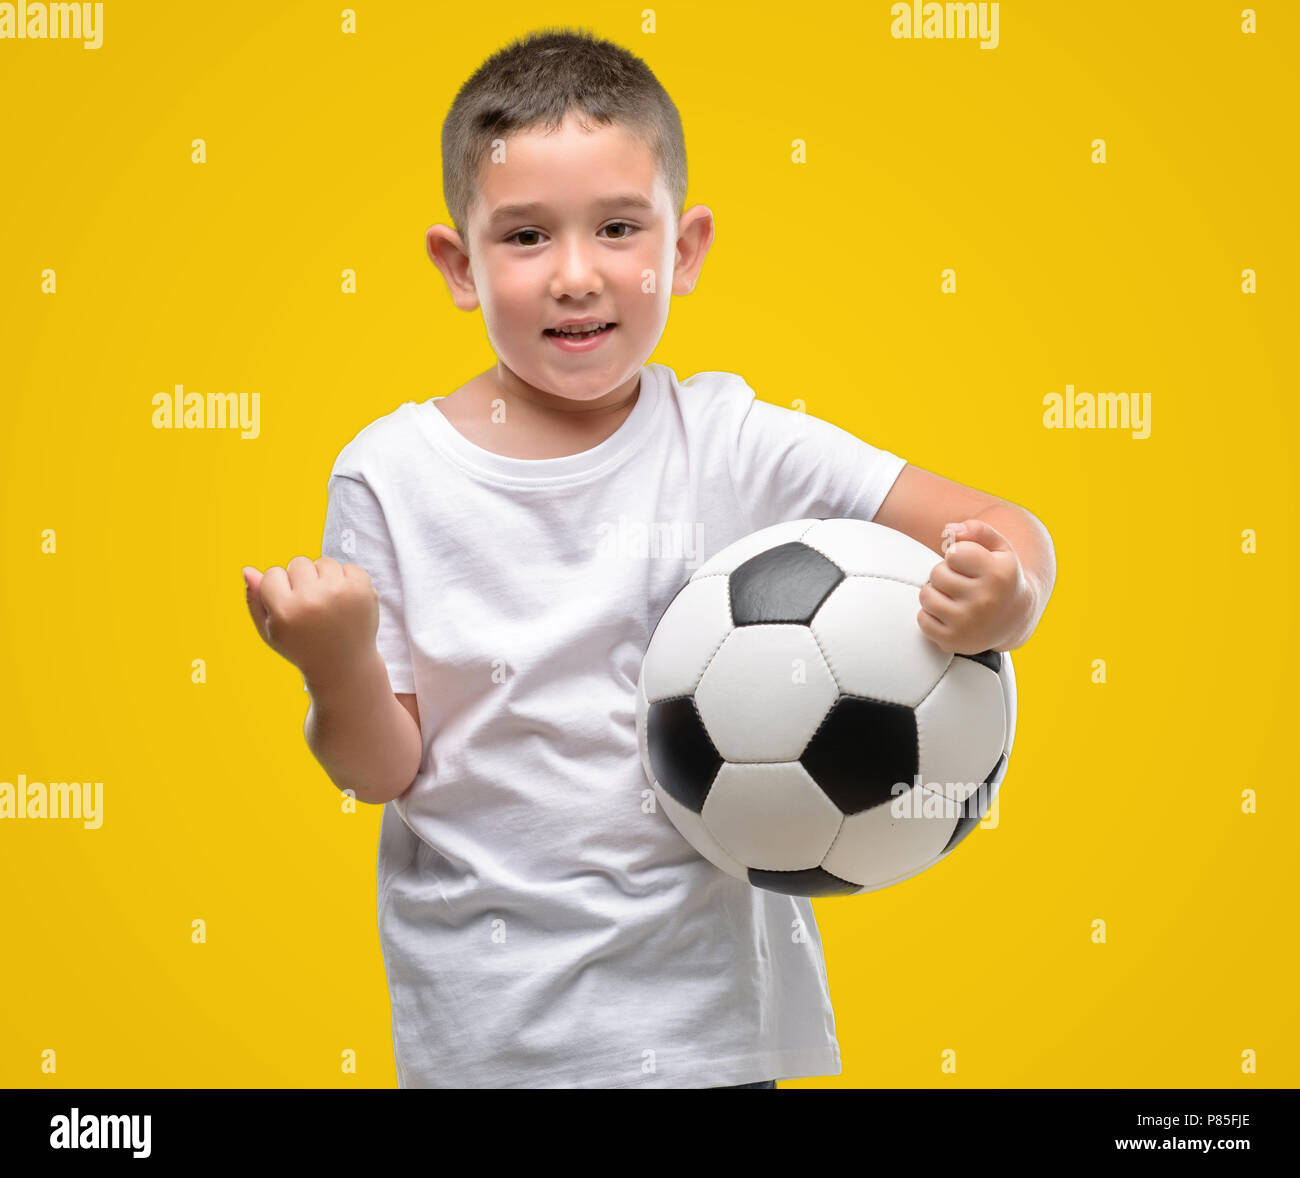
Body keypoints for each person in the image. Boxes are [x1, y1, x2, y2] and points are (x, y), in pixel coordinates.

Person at [240, 27, 1056, 1089]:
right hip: (489, 1030)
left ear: (684, 249)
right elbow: (379, 769)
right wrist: (337, 661)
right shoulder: (390, 475)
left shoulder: (730, 439)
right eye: (525, 237)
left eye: (619, 228)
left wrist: (1008, 595)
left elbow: (999, 524)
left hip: (708, 1026)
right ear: (459, 265)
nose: (577, 275)